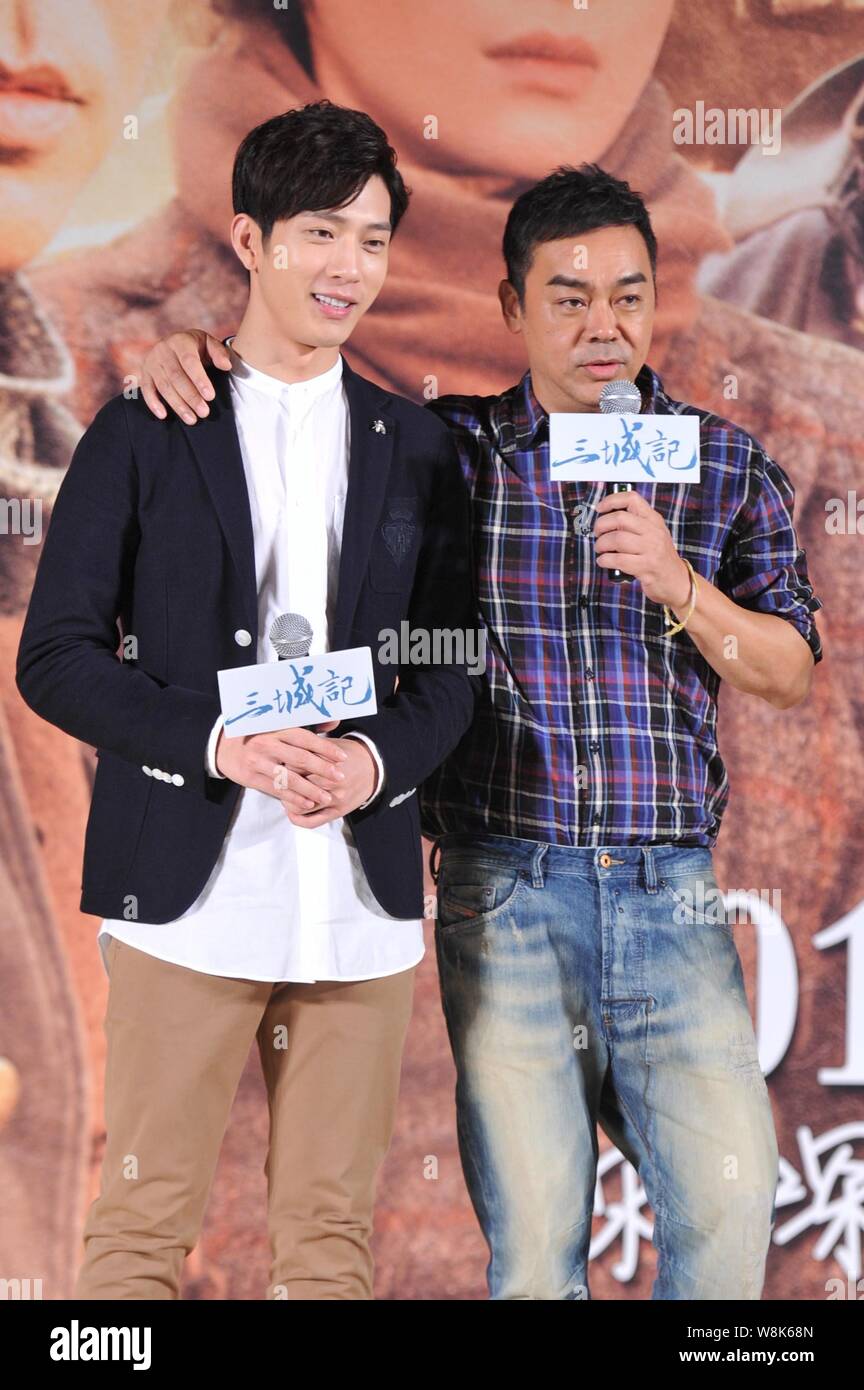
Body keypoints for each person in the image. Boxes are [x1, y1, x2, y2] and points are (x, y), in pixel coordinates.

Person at [141, 165, 824, 1300]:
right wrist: (194, 359)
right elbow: (293, 398)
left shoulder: (722, 461)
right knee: (537, 1229)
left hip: (673, 888)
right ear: (511, 307)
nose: (602, 325)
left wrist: (679, 584)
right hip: (503, 882)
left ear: (656, 301)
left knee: (731, 1196)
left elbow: (792, 671)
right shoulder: (440, 452)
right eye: (567, 296)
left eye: (626, 295)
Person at [15, 101, 479, 1300]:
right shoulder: (144, 426)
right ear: (251, 240)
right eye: (322, 233)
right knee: (133, 1240)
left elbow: (448, 664)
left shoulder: (419, 446)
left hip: (357, 893)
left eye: (374, 240)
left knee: (330, 1248)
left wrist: (376, 765)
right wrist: (222, 742)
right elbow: (55, 657)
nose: (349, 268)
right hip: (186, 883)